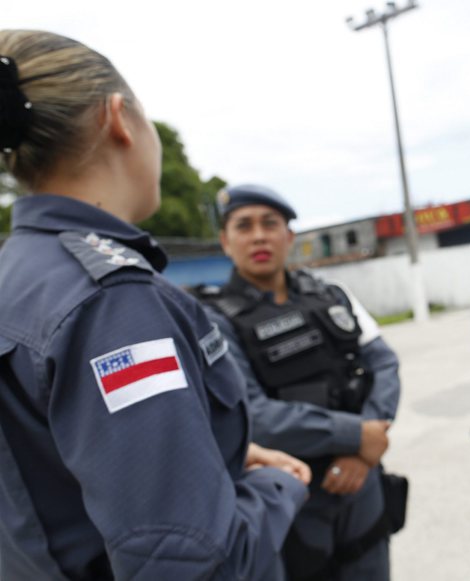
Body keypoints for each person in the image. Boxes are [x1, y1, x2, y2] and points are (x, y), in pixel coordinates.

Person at [0, 30, 312, 580]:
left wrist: (227, 462)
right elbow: (190, 563)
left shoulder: (18, 277)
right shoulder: (111, 303)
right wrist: (278, 485)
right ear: (118, 117)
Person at [195, 183, 402, 581]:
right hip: (292, 497)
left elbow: (384, 364)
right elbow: (252, 414)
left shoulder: (331, 295)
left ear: (289, 236)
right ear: (225, 241)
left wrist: (363, 451)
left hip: (362, 482)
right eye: (244, 226)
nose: (258, 235)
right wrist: (357, 435)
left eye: (270, 224)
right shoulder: (213, 320)